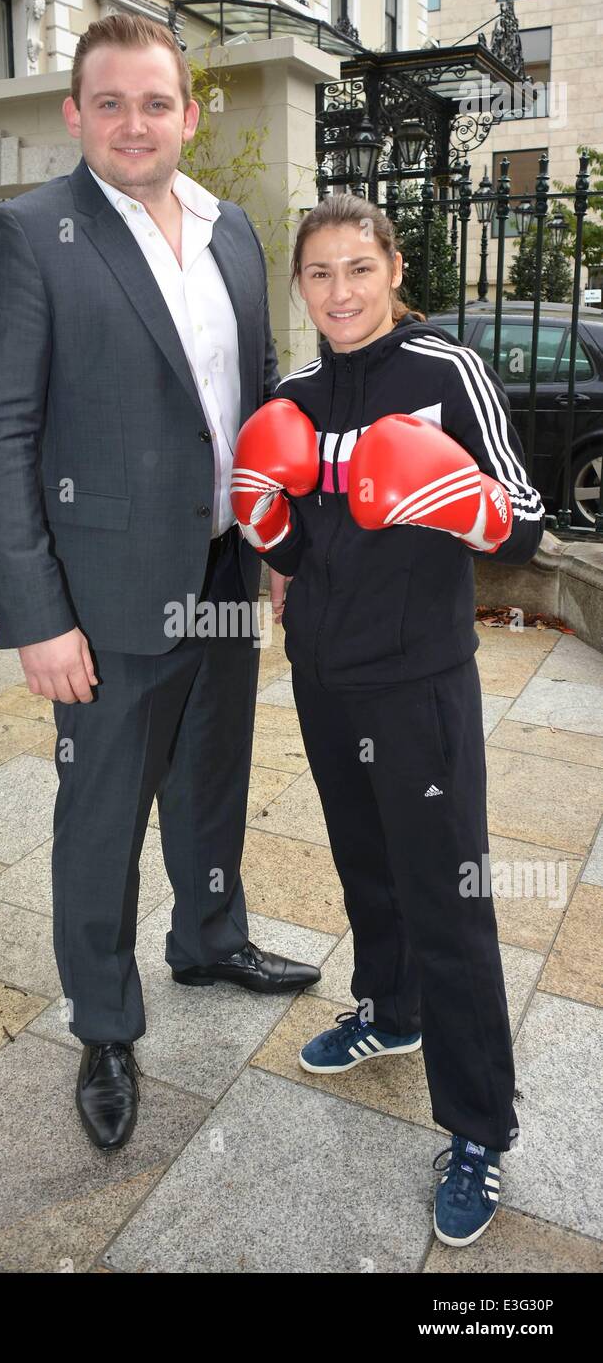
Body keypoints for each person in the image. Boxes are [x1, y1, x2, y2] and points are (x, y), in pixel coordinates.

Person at [0, 12, 320, 1156]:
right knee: (101, 815)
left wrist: (265, 540)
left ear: (187, 114)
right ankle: (106, 1026)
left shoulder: (229, 231)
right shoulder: (28, 235)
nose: (132, 122)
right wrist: (37, 616)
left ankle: (207, 937)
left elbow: (256, 398)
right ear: (75, 114)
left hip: (217, 563)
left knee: (211, 775)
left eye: (153, 102)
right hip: (105, 592)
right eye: (108, 102)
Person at [230, 191, 545, 1248]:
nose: (338, 291)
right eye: (317, 274)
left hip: (418, 683)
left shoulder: (443, 373)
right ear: (301, 288)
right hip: (323, 673)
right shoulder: (297, 392)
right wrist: (268, 533)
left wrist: (459, 498)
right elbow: (291, 546)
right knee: (366, 867)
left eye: (356, 268)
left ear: (393, 268)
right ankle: (389, 1009)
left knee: (445, 895)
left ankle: (476, 1126)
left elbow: (524, 519)